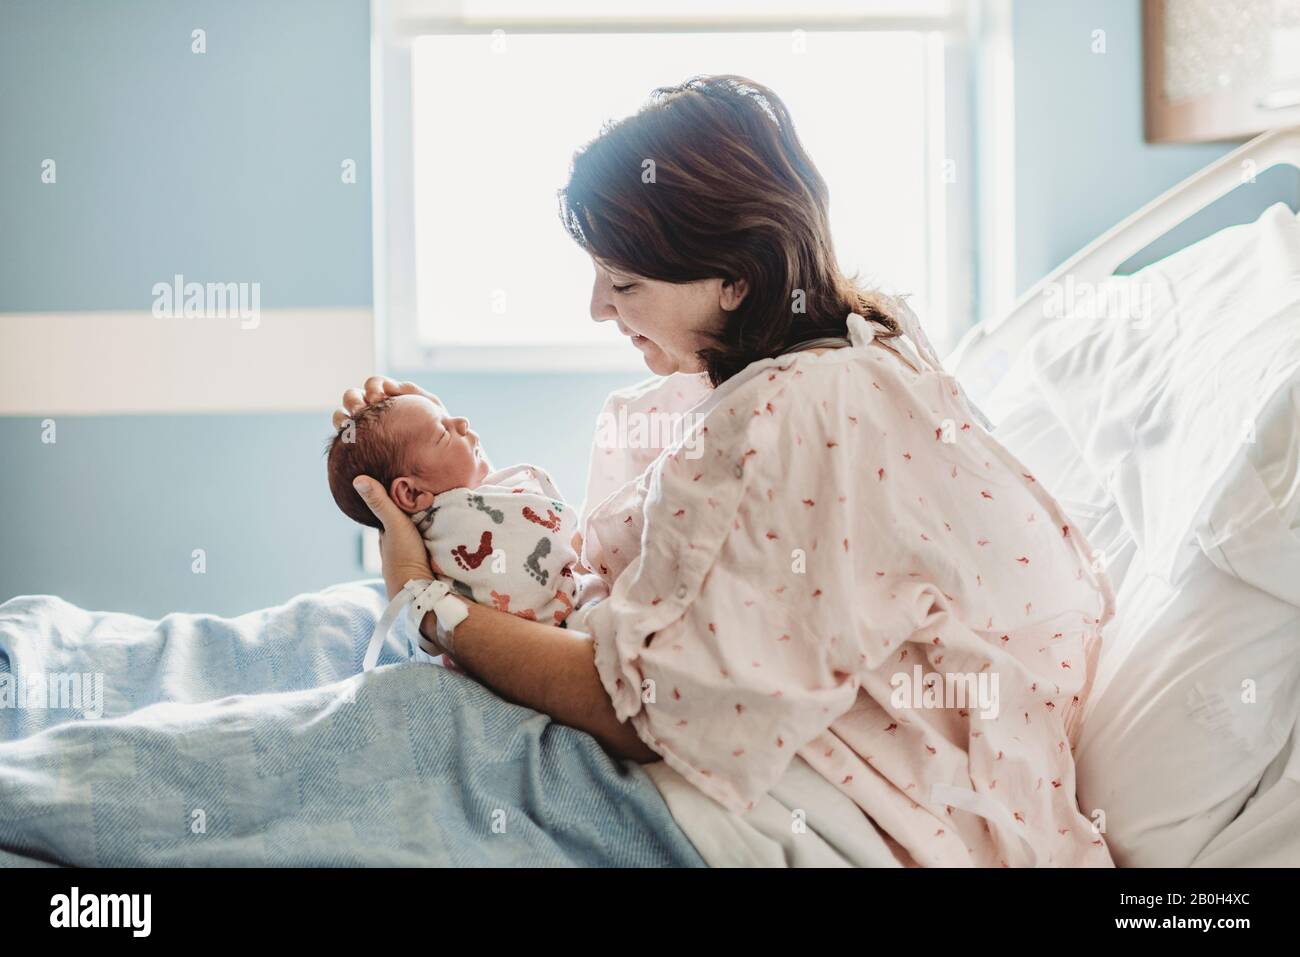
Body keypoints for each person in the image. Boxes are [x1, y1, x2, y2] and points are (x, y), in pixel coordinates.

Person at [335, 75, 1116, 867]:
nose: (598, 308)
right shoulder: (852, 352)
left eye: (625, 282)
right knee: (334, 670)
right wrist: (410, 449)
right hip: (841, 753)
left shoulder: (787, 415)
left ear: (735, 279)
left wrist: (425, 604)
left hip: (835, 808)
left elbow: (635, 706)